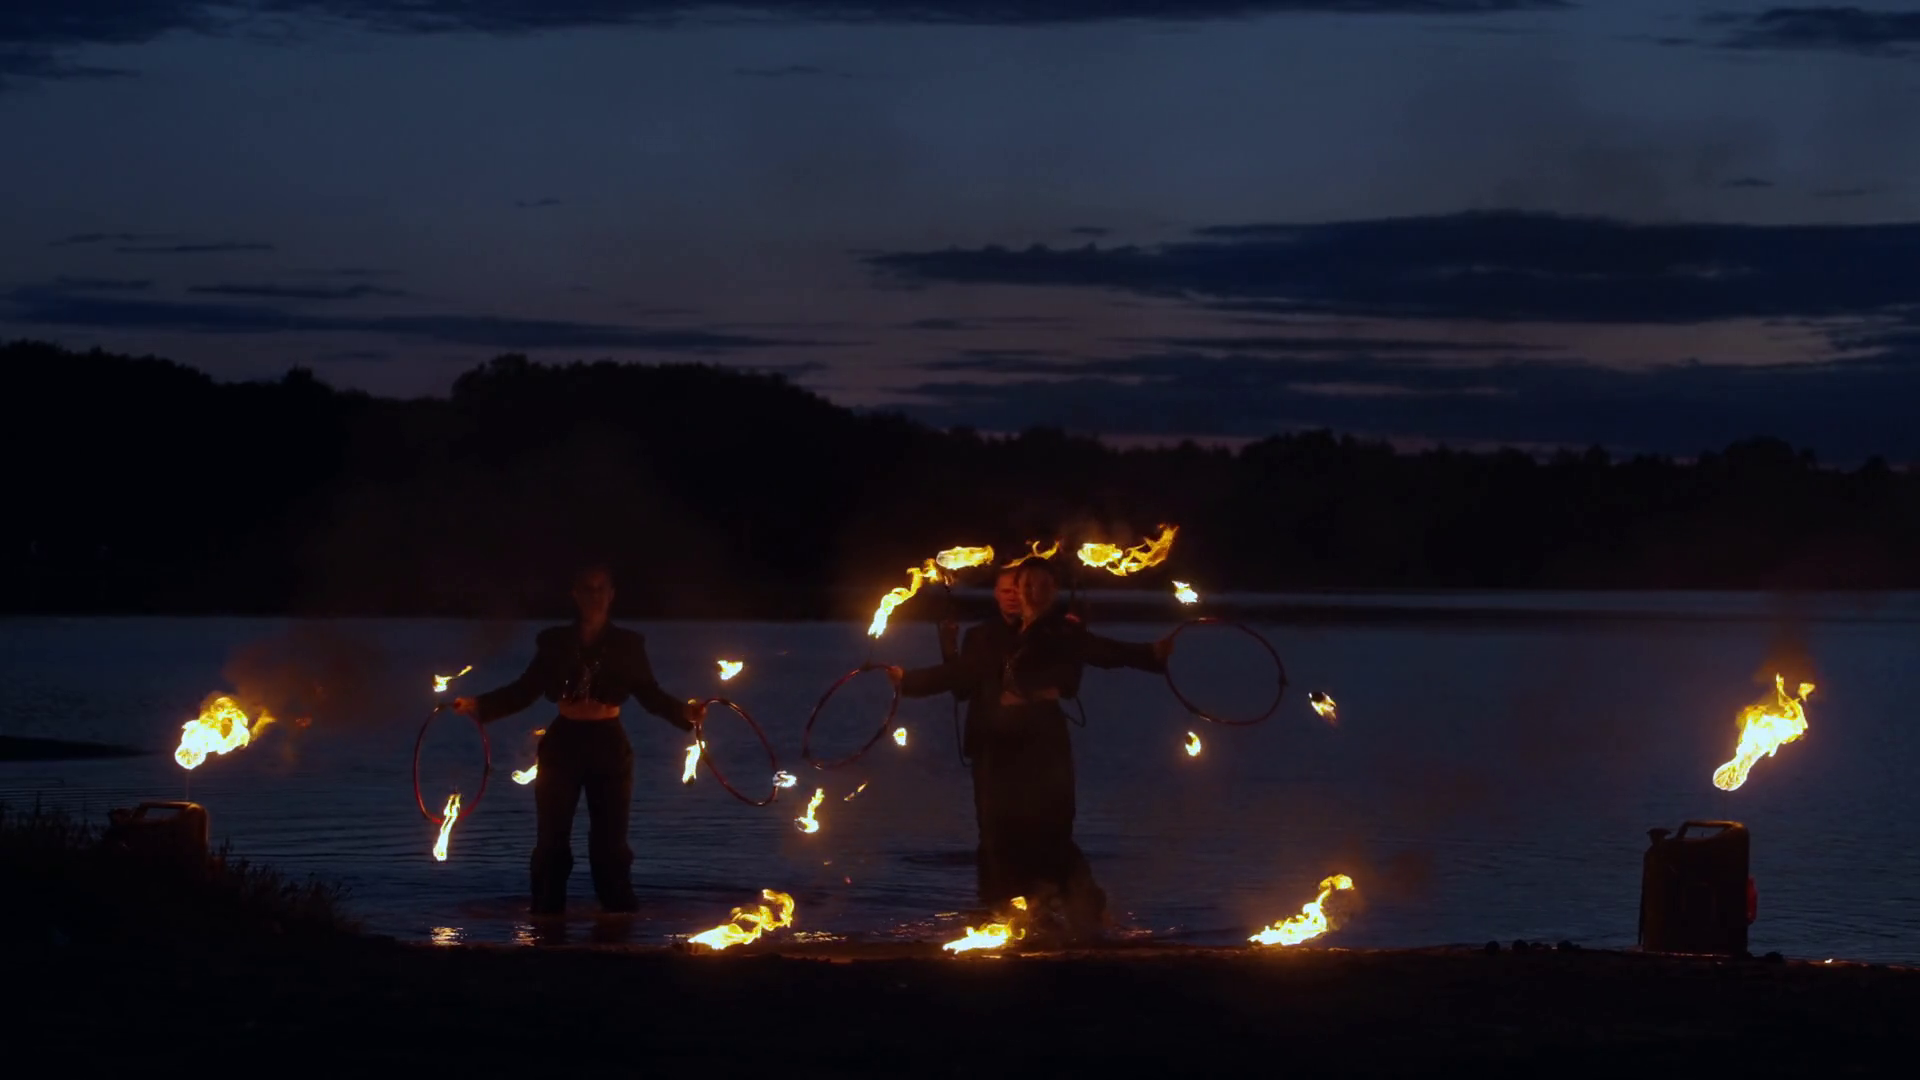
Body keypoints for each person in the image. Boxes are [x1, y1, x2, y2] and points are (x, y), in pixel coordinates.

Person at [893, 556, 1172, 942]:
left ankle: (1083, 909)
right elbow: (960, 682)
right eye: (1011, 589)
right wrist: (925, 666)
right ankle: (1002, 911)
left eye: (1027, 588)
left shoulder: (1060, 632)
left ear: (1049, 592)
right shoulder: (984, 637)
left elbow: (1095, 659)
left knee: (1051, 832)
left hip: (1043, 750)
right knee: (995, 835)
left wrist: (1152, 656)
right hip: (992, 748)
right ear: (998, 593)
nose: (1017, 596)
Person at [453, 563, 704, 916]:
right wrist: (478, 704)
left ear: (611, 594)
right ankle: (545, 914)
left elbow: (649, 692)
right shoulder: (554, 642)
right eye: (587, 589)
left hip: (609, 744)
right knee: (552, 839)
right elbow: (526, 688)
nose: (594, 596)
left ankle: (618, 915)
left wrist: (685, 713)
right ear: (575, 595)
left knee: (610, 843)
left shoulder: (628, 644)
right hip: (564, 743)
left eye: (601, 588)